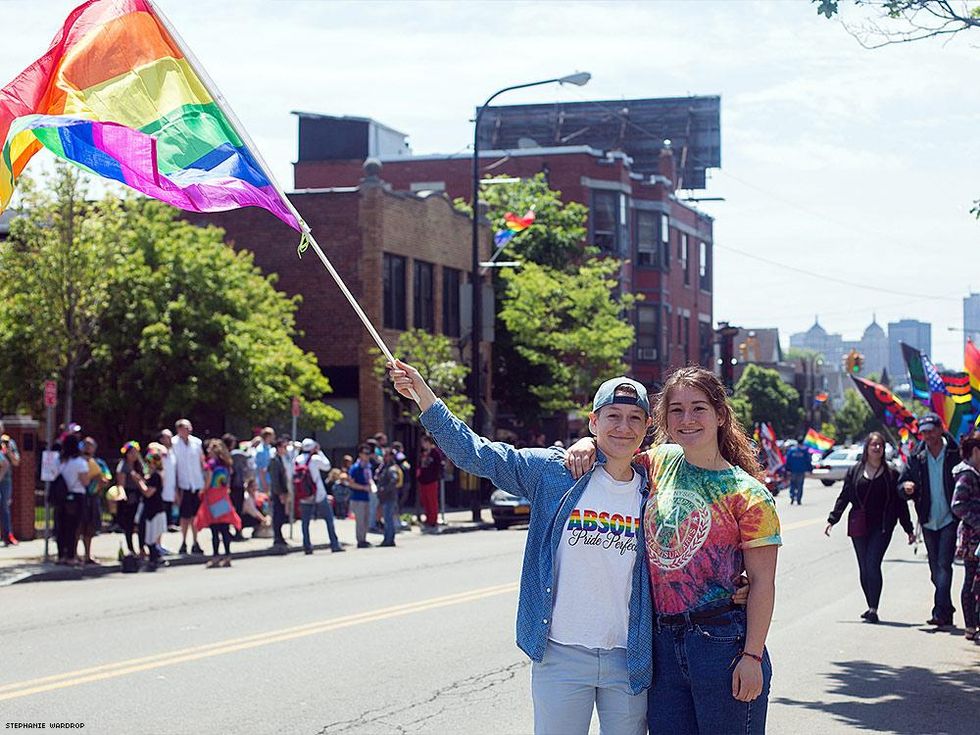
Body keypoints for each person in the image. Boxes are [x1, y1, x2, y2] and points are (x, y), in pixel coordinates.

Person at [391, 360, 658, 734]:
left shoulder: (656, 488)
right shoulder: (555, 472)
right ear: (593, 422)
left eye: (634, 418)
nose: (623, 427)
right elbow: (477, 454)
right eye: (613, 415)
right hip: (561, 655)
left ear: (647, 428)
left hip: (628, 659)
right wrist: (424, 395)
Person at [565, 366, 778, 735]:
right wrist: (587, 443)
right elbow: (614, 452)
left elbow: (762, 583)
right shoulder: (658, 462)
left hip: (723, 644)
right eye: (676, 409)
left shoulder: (748, 494)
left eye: (698, 408)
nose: (687, 419)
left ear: (720, 415)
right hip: (661, 647)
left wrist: (752, 656)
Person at [824, 432, 915, 623]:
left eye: (880, 445)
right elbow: (845, 496)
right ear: (867, 448)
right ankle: (869, 604)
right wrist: (832, 519)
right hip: (859, 525)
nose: (877, 448)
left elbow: (900, 504)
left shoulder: (892, 474)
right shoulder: (855, 471)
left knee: (873, 564)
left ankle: (874, 608)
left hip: (882, 527)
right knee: (864, 567)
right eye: (873, 445)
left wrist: (908, 529)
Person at [898, 412, 961, 628]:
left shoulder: (955, 453)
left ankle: (938, 611)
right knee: (935, 569)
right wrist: (906, 488)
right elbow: (902, 482)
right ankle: (947, 610)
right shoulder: (917, 457)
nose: (928, 435)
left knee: (944, 564)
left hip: (950, 518)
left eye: (931, 430)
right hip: (927, 518)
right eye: (924, 432)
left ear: (940, 429)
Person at [951, 430, 980, 642]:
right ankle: (970, 626)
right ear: (976, 451)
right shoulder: (967, 475)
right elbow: (958, 505)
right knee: (971, 582)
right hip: (972, 538)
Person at [194, 438, 240, 568]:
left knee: (215, 529)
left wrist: (203, 491)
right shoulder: (226, 464)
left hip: (213, 497)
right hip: (223, 496)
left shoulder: (211, 464)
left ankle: (215, 557)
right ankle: (227, 556)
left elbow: (208, 481)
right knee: (224, 528)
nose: (207, 451)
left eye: (209, 448)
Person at [295, 438, 343, 555]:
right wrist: (320, 452)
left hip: (304, 495)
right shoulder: (315, 459)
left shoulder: (297, 460)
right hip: (318, 494)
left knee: (305, 522)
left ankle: (307, 546)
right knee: (328, 519)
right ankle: (334, 544)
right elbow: (327, 466)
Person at [57, 432, 91, 565]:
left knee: (61, 527)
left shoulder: (59, 461)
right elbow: (85, 482)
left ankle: (61, 555)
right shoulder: (80, 463)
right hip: (76, 496)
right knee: (72, 527)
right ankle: (71, 556)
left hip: (61, 495)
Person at [172, 418, 206, 555]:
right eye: (183, 428)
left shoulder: (196, 442)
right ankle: (183, 541)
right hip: (183, 484)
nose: (186, 430)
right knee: (185, 516)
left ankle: (196, 541)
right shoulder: (174, 444)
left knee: (195, 515)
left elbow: (201, 462)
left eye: (188, 427)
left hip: (196, 483)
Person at [78, 437, 111, 565]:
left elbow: (106, 478)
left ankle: (87, 555)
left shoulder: (99, 463)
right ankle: (75, 554)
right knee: (78, 526)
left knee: (90, 527)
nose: (87, 448)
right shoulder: (78, 461)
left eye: (90, 445)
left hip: (93, 498)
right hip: (80, 497)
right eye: (85, 445)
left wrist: (100, 481)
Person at [140, 445, 168, 571]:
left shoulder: (156, 476)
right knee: (148, 537)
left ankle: (154, 559)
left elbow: (148, 493)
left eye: (150, 462)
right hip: (151, 509)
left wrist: (139, 482)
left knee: (151, 537)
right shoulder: (151, 476)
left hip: (155, 511)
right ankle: (155, 558)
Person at [115, 441, 145, 557]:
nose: (134, 455)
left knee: (141, 523)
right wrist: (122, 495)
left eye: (135, 452)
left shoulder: (140, 465)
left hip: (140, 495)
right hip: (129, 495)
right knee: (129, 524)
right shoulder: (123, 466)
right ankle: (131, 548)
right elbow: (121, 484)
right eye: (131, 452)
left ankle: (142, 547)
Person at [348, 445, 376, 549]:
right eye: (365, 453)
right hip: (357, 498)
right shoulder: (355, 468)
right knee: (360, 521)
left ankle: (364, 539)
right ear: (360, 454)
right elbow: (351, 483)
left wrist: (372, 485)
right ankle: (360, 541)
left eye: (368, 453)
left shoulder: (368, 466)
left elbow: (370, 479)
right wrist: (363, 488)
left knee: (366, 520)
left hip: (366, 497)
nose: (367, 455)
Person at [376, 448, 403, 548]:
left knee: (388, 519)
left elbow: (394, 480)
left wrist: (384, 489)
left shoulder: (392, 468)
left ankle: (389, 540)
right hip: (386, 498)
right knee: (387, 519)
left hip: (389, 497)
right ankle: (387, 538)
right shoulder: (385, 467)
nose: (384, 457)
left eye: (386, 455)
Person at [0, 421, 21, 545]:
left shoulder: (9, 443)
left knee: (4, 506)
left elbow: (16, 462)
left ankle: (8, 535)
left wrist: (8, 452)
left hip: (6, 480)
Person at [417, 434, 444, 533]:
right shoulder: (423, 453)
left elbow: (438, 466)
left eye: (424, 442)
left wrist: (436, 476)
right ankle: (428, 518)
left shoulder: (435, 452)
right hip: (423, 480)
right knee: (425, 501)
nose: (423, 445)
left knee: (432, 501)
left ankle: (433, 520)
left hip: (432, 480)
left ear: (429, 442)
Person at [268, 437, 291, 548]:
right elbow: (275, 479)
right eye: (284, 447)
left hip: (283, 491)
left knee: (282, 515)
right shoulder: (274, 460)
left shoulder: (282, 459)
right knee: (278, 515)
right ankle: (277, 537)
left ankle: (280, 536)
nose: (286, 449)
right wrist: (280, 493)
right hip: (278, 493)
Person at [157, 429, 179, 531]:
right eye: (167, 437)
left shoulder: (173, 452)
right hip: (161, 482)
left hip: (171, 482)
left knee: (169, 503)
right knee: (162, 503)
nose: (170, 439)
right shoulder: (158, 451)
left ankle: (170, 523)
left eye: (171, 437)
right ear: (161, 439)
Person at [783, 439, 812, 506]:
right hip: (801, 471)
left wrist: (787, 470)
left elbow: (788, 460)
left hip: (793, 471)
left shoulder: (791, 450)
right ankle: (798, 499)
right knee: (800, 485)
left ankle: (792, 497)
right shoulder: (804, 451)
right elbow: (808, 461)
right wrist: (810, 469)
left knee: (792, 484)